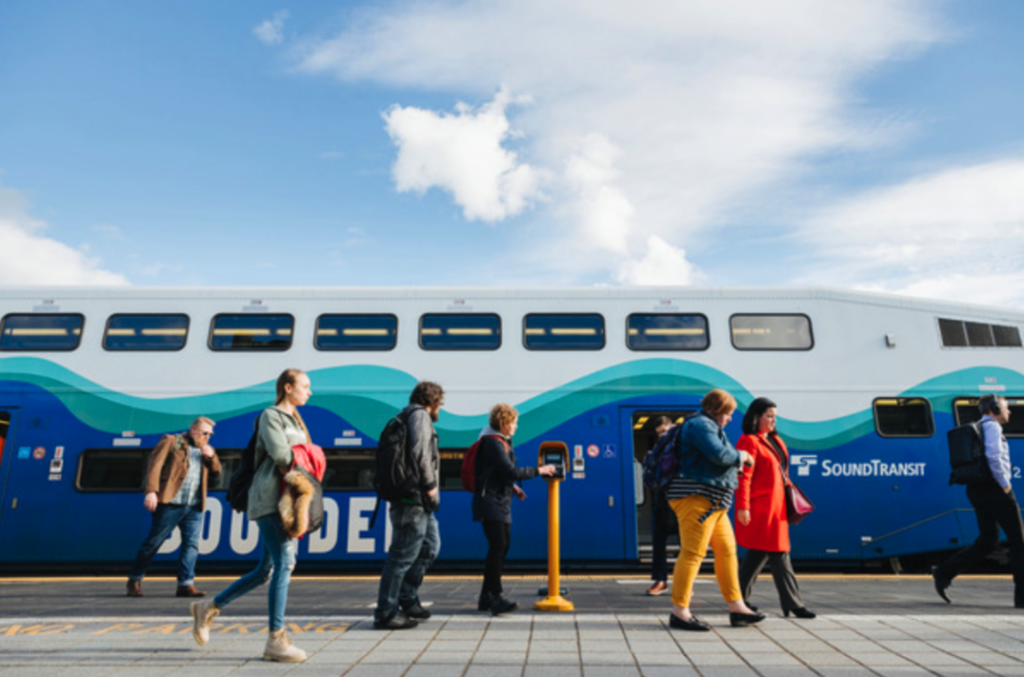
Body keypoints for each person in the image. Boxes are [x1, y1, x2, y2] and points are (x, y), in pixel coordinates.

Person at [191, 369, 314, 662]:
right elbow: (282, 456)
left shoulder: (297, 420)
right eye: (305, 386)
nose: (309, 392)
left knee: (265, 570)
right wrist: (302, 476)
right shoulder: (271, 416)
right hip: (270, 498)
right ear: (287, 388)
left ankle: (209, 607)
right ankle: (276, 640)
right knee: (286, 561)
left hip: (287, 498)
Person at [666, 389, 764, 631]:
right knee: (693, 553)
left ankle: (737, 607)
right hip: (696, 498)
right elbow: (720, 455)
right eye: (728, 413)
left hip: (714, 500)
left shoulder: (709, 425)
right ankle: (679, 611)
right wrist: (744, 456)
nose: (730, 418)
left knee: (727, 551)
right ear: (716, 411)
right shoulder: (701, 425)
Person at [933, 394, 1023, 608]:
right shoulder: (992, 427)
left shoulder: (978, 427)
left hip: (976, 489)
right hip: (994, 488)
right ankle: (1022, 596)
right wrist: (1004, 484)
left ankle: (944, 572)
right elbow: (994, 456)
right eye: (1005, 407)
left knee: (988, 541)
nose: (1009, 412)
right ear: (994, 409)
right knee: (1019, 541)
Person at [735, 397, 815, 618]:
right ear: (756, 417)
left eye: (775, 417)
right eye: (768, 416)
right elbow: (743, 477)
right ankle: (794, 604)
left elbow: (781, 472)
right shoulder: (749, 441)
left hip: (777, 506)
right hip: (762, 508)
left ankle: (738, 601)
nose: (773, 421)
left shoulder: (774, 440)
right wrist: (743, 506)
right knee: (779, 552)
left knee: (757, 555)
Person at [374, 381, 445, 630]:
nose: (440, 410)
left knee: (430, 547)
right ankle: (385, 611)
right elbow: (419, 454)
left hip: (418, 500)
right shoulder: (420, 416)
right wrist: (430, 486)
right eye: (440, 404)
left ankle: (407, 598)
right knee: (402, 556)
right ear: (432, 401)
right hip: (412, 497)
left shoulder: (407, 416)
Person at [473, 403, 556, 615]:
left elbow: (499, 473)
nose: (516, 426)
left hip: (501, 501)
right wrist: (540, 470)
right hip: (490, 502)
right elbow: (510, 470)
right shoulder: (492, 443)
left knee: (501, 546)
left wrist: (514, 488)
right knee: (498, 546)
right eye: (514, 422)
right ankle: (496, 597)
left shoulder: (501, 442)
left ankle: (485, 597)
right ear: (504, 423)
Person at [127, 417, 221, 598]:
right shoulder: (171, 441)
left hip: (194, 505)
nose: (208, 437)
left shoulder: (206, 450)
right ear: (194, 430)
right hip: (170, 503)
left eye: (210, 434)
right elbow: (154, 465)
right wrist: (151, 491)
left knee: (191, 545)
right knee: (153, 542)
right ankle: (135, 578)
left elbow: (217, 473)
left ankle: (185, 584)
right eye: (205, 433)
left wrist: (212, 457)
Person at [647, 416, 677, 596]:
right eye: (659, 433)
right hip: (660, 503)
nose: (661, 436)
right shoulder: (653, 454)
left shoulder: (682, 451)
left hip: (680, 503)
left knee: (687, 547)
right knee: (658, 545)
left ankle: (687, 583)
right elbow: (648, 477)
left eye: (664, 431)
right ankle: (660, 580)